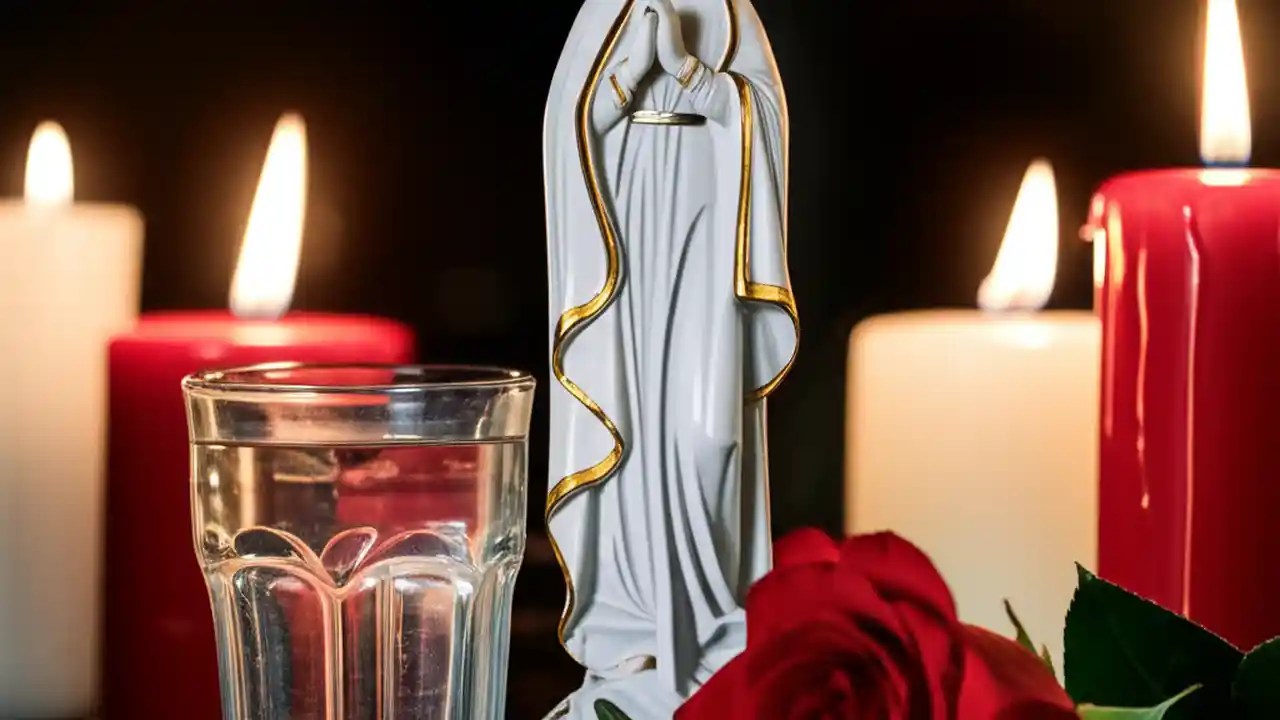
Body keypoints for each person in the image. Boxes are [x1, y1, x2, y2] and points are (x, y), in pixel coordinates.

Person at [543, 0, 797, 716]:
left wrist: (693, 76)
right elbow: (567, 128)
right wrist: (628, 80)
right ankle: (632, 631)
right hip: (624, 241)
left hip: (708, 224)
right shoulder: (603, 10)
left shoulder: (731, 9)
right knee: (626, 440)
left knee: (709, 436)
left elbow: (766, 116)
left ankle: (714, 634)